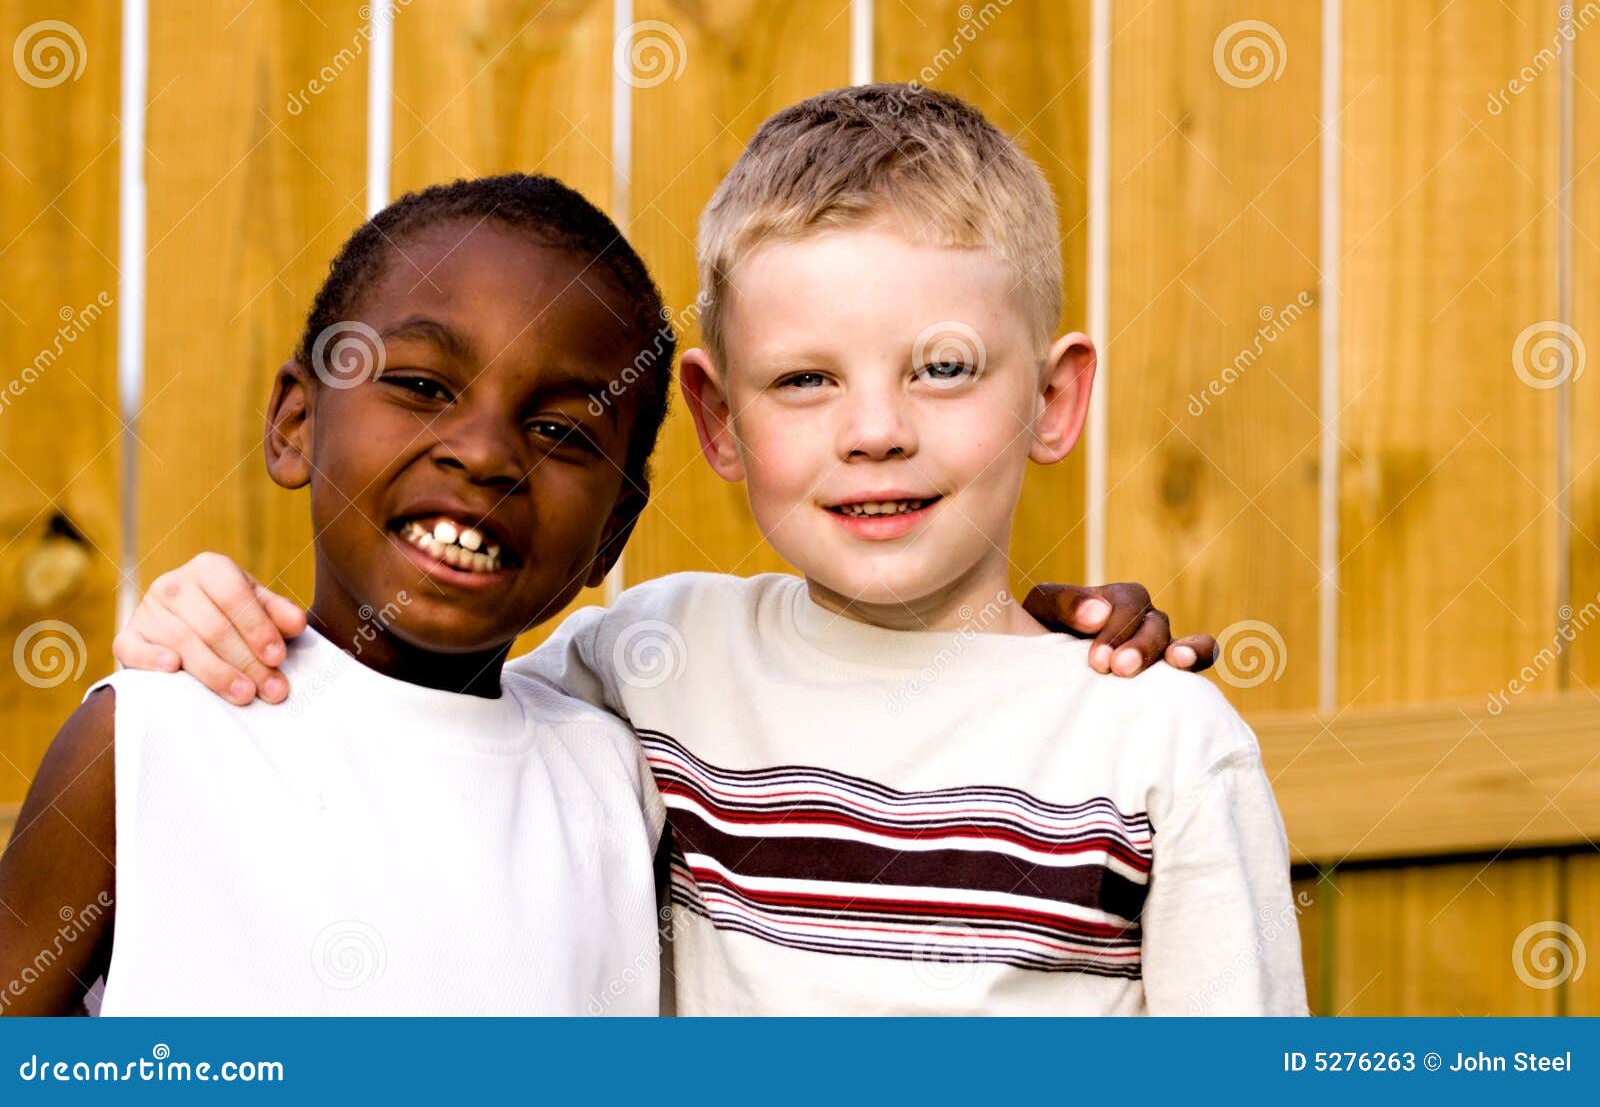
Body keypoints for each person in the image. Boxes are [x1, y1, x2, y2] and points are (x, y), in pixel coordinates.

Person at [106, 87, 1283, 1015]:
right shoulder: (651, 661)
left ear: (1055, 396)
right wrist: (195, 611)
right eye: (805, 379)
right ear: (720, 419)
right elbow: (419, 731)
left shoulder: (1161, 743)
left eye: (942, 366)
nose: (875, 430)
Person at [0, 176, 675, 1014]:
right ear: (296, 424)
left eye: (559, 431)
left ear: (613, 530)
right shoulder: (147, 736)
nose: (485, 454)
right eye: (424, 387)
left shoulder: (616, 782)